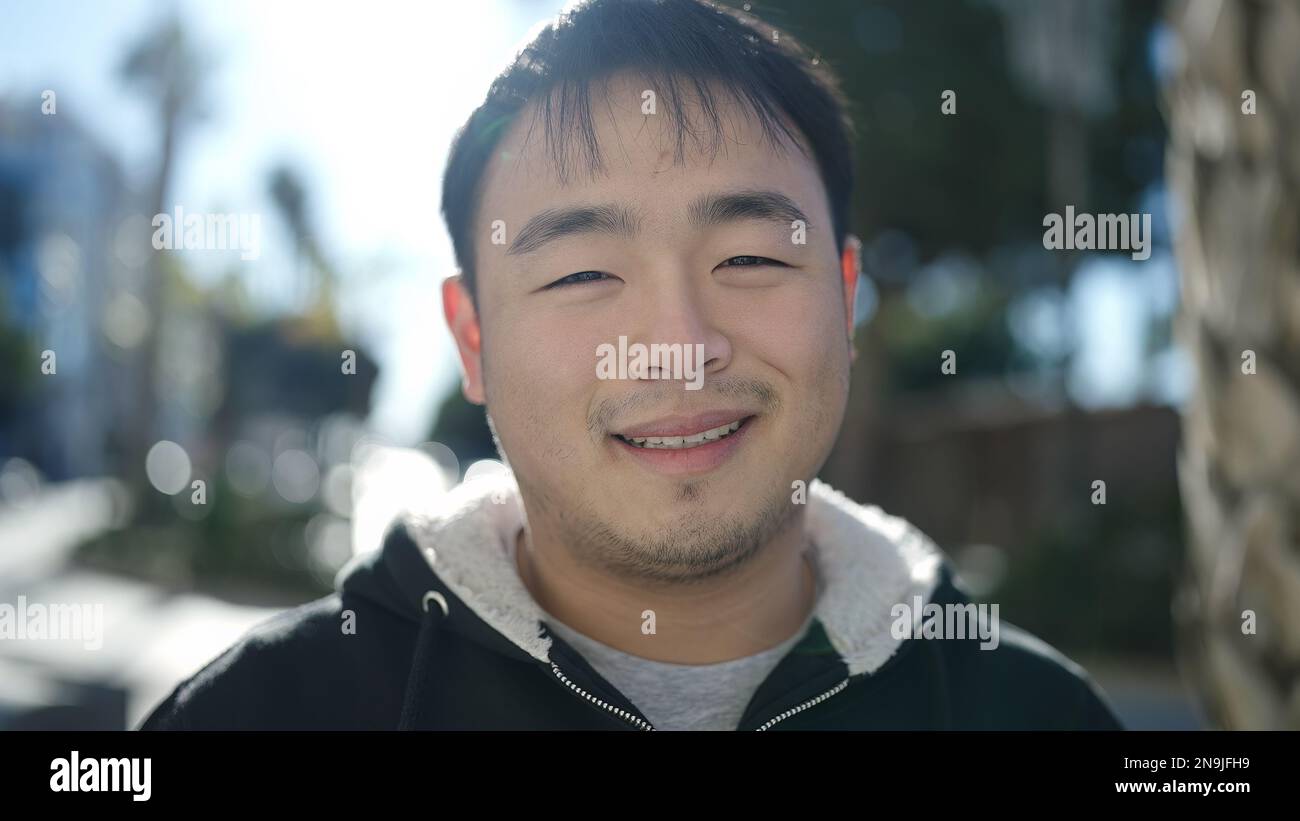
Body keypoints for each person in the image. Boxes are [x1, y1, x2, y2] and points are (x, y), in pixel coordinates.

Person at [141, 0, 1122, 731]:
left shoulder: (1038, 713)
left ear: (844, 290)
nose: (678, 342)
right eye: (581, 272)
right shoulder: (261, 713)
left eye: (747, 258)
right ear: (472, 339)